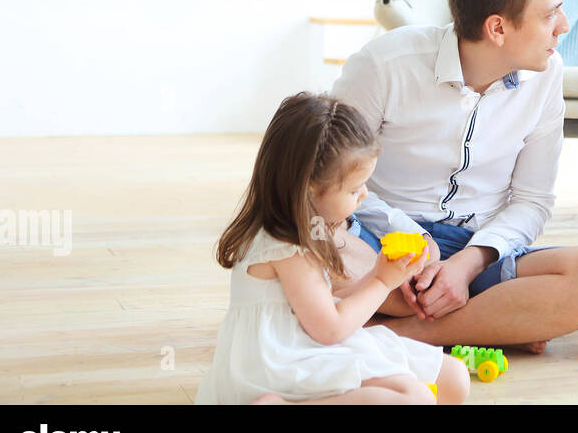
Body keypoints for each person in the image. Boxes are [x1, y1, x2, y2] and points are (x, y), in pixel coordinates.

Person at [331, 0, 578, 351]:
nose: (564, 26)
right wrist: (410, 242)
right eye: (551, 16)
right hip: (378, 243)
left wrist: (466, 266)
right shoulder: (384, 64)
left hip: (480, 249)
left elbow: (532, 200)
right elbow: (326, 180)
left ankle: (397, 333)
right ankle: (495, 320)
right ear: (497, 28)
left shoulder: (546, 74)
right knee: (302, 241)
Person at [196, 92, 470, 404]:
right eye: (355, 189)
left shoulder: (307, 226)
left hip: (305, 343)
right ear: (309, 188)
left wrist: (380, 275)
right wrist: (382, 282)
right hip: (281, 363)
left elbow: (325, 303)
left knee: (453, 379)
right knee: (414, 398)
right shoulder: (287, 245)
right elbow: (329, 328)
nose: (364, 195)